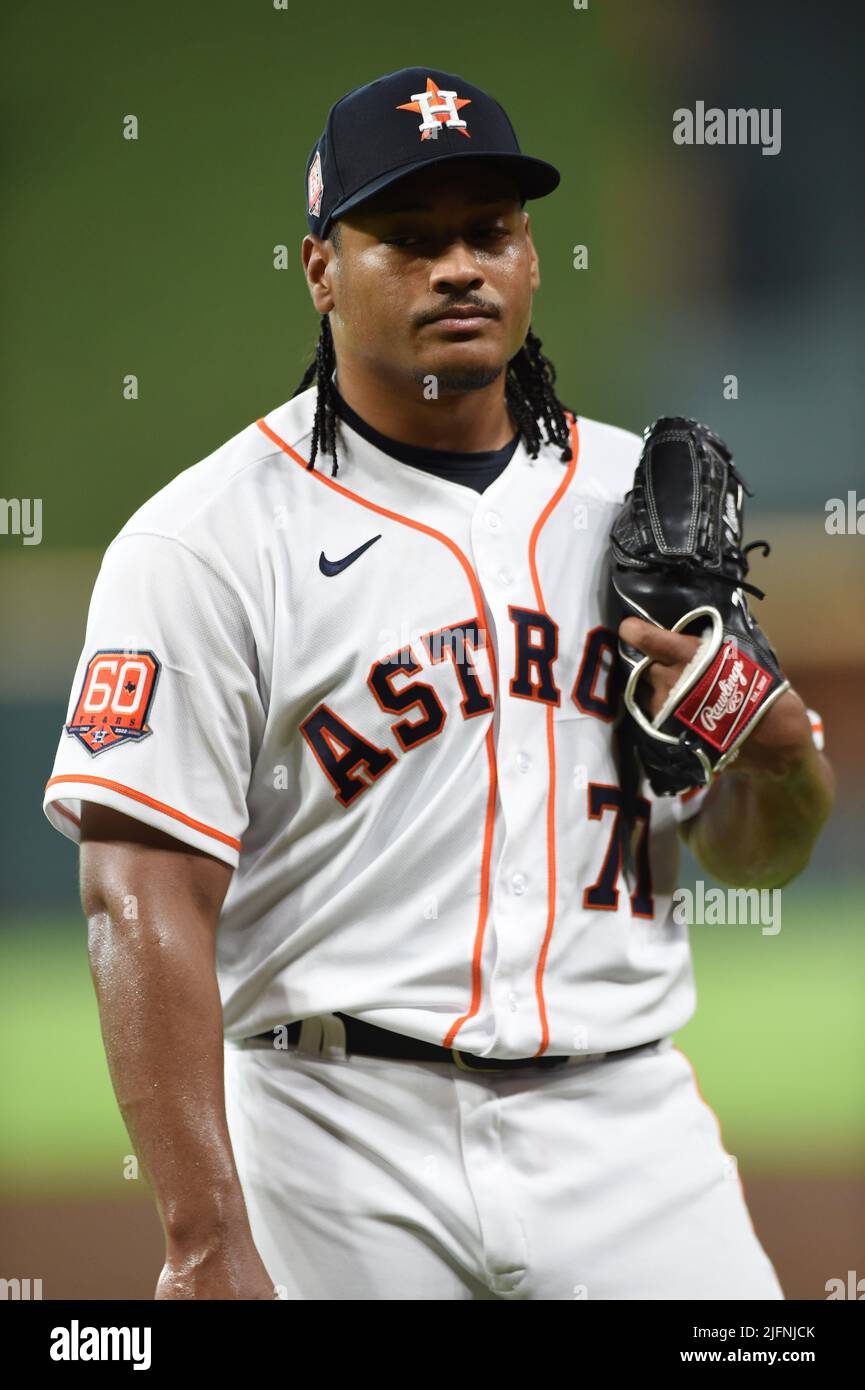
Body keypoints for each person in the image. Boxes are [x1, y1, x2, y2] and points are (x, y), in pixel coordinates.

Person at [43, 67, 833, 1300]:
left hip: (624, 1122)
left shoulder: (641, 503)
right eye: (408, 240)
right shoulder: (202, 538)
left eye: (489, 232)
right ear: (319, 270)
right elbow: (137, 890)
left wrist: (778, 751)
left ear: (528, 258)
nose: (458, 266)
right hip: (329, 1127)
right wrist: (203, 1235)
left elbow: (757, 853)